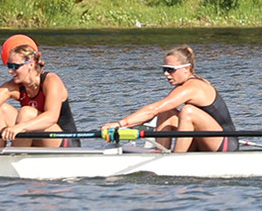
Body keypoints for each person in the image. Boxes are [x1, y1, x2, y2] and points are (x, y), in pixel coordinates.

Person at [102, 46, 238, 152]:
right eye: (164, 70)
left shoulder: (193, 87)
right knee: (166, 112)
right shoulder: (184, 85)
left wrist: (120, 124)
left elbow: (152, 110)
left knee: (188, 111)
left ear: (186, 69)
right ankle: (160, 152)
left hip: (226, 143)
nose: (166, 74)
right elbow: (154, 112)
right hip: (205, 139)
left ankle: (176, 159)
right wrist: (130, 124)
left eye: (170, 69)